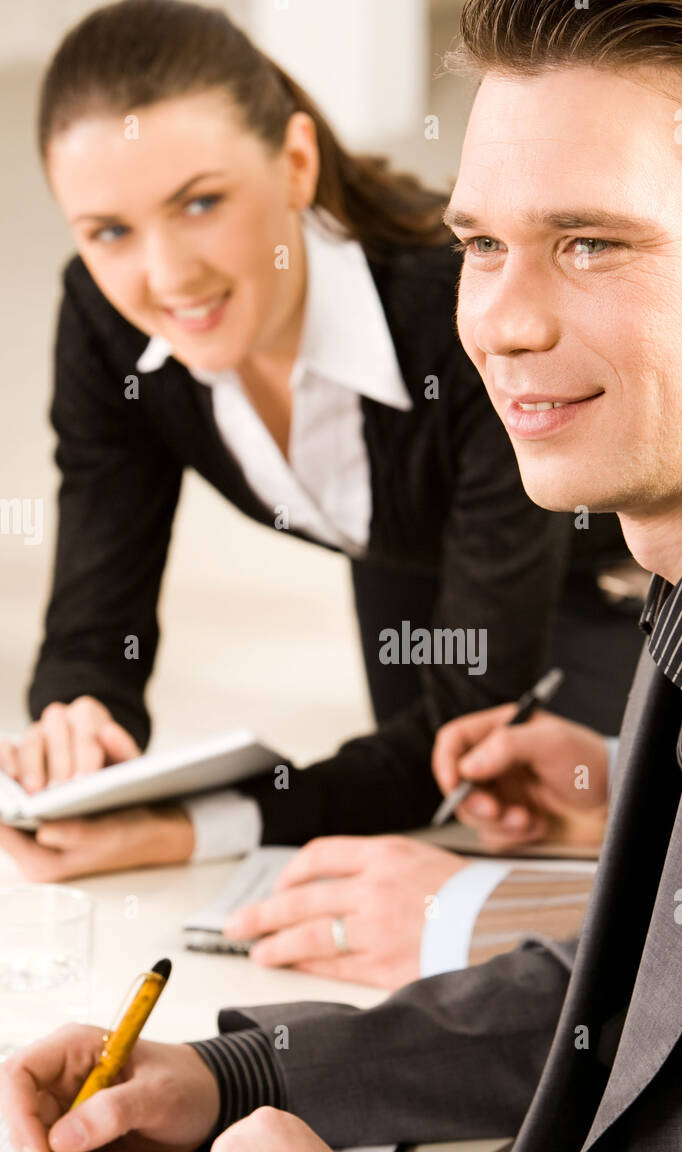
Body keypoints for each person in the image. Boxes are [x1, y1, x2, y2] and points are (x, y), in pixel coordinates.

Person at [5, 0, 682, 1152]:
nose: (502, 324)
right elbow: (651, 997)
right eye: (480, 242)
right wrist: (237, 1073)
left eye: (589, 242)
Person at [0, 0, 641, 888]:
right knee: (441, 807)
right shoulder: (105, 322)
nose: (165, 276)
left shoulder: (458, 317)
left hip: (625, 561)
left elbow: (467, 723)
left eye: (201, 203)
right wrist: (83, 724)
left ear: (296, 162)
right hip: (413, 548)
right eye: (110, 230)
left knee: (570, 821)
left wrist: (193, 827)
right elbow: (94, 620)